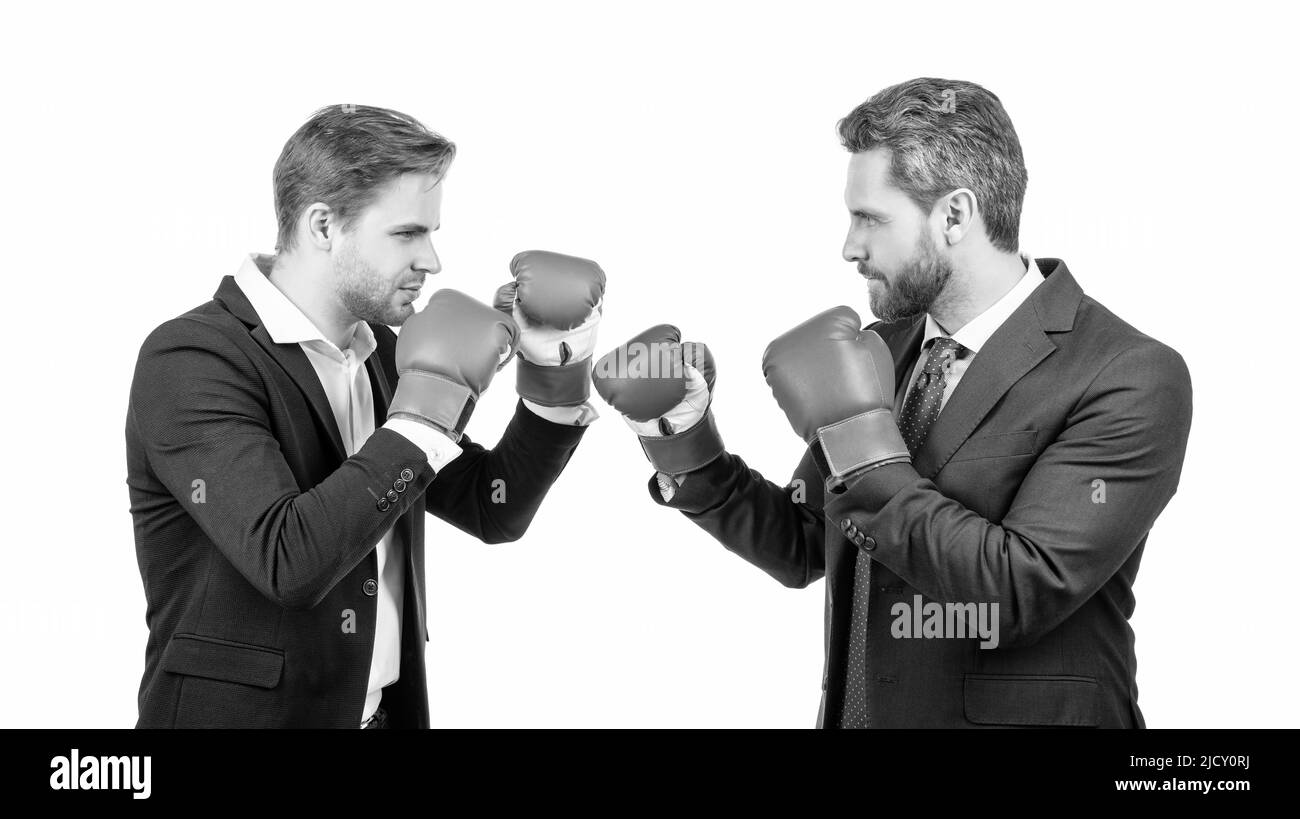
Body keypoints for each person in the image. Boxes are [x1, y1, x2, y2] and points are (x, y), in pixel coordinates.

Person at [593, 78, 1192, 728]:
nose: (849, 247)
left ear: (956, 216)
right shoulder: (884, 347)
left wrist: (861, 443)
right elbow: (804, 542)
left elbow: (1019, 591)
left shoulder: (1126, 374)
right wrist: (686, 441)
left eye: (870, 218)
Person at [126, 104, 605, 728]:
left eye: (431, 233)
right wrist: (426, 415)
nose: (433, 261)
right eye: (408, 234)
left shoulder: (381, 353)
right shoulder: (193, 358)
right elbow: (288, 561)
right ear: (324, 225)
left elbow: (495, 508)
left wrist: (553, 373)